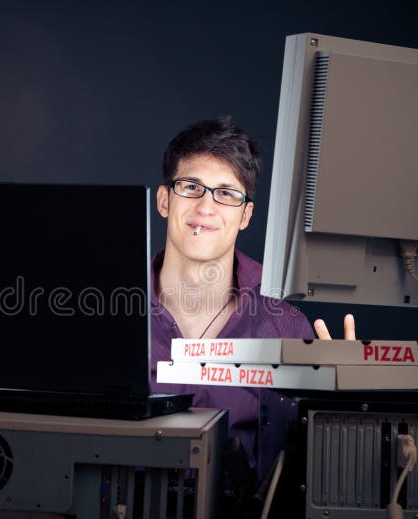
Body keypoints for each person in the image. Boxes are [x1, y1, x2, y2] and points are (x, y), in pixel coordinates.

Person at [149, 116, 354, 470]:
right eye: (191, 187)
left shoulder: (286, 328)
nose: (206, 207)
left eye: (226, 193)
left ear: (245, 216)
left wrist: (344, 409)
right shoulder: (111, 318)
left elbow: (307, 466)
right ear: (164, 200)